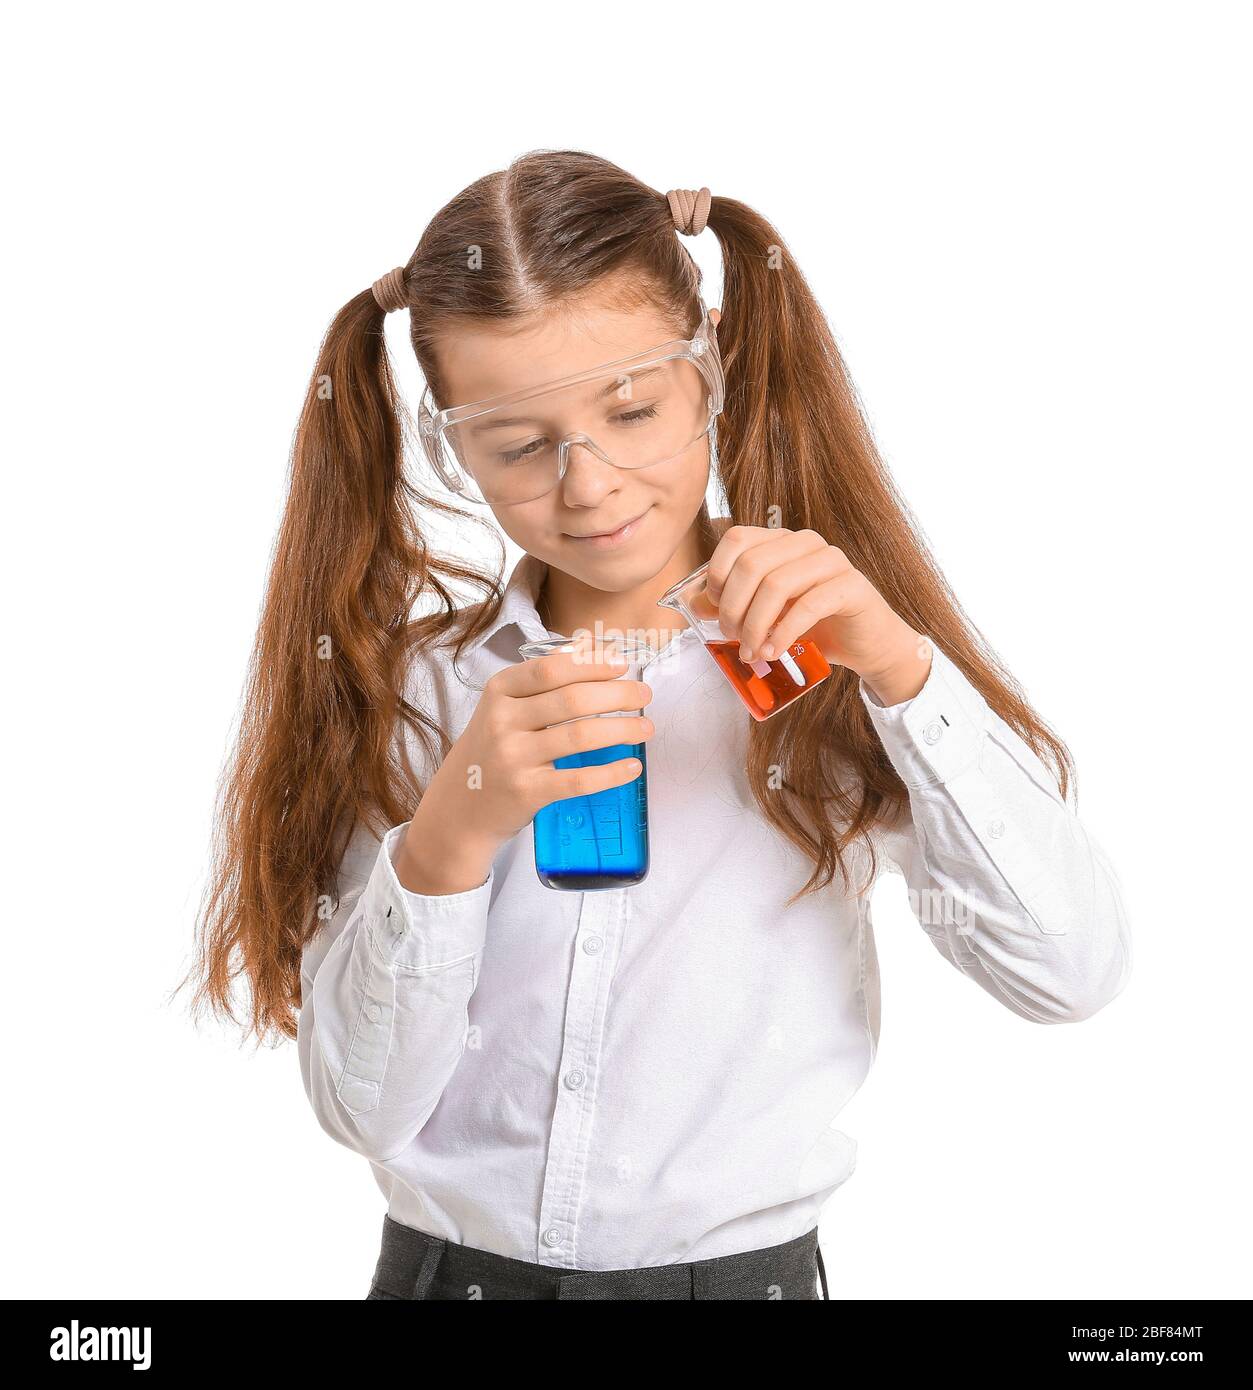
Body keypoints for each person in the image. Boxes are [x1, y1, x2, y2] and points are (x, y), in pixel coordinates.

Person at [190, 151, 1131, 1300]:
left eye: (629, 409)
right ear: (447, 445)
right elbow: (360, 1107)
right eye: (516, 444)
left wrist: (898, 669)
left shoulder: (835, 665)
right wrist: (448, 840)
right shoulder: (419, 692)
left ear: (713, 366)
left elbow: (1068, 972)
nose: (586, 485)